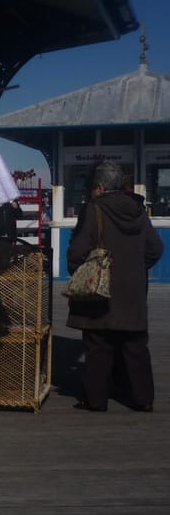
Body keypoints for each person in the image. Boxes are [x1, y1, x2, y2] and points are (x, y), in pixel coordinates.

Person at [66, 161, 163, 412]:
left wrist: (80, 271)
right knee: (135, 345)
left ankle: (96, 401)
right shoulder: (139, 211)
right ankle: (143, 399)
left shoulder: (94, 210)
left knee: (98, 345)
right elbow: (155, 249)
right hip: (133, 290)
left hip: (101, 290)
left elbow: (78, 251)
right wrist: (136, 270)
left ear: (99, 187)